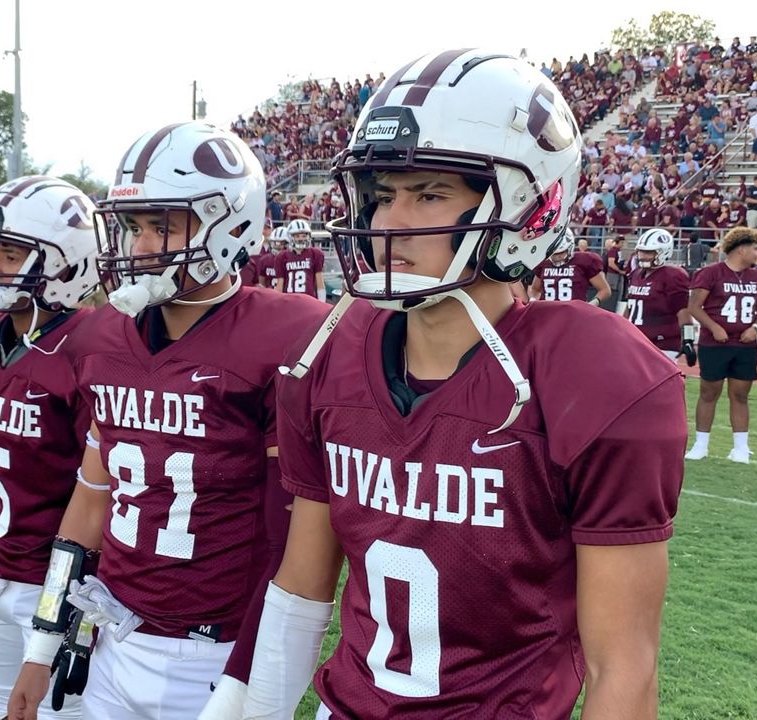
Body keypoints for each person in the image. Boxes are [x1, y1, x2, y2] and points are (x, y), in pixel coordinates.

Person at [241, 49, 684, 720]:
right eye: (382, 195)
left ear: (530, 205)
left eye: (429, 193)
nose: (389, 225)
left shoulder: (589, 373)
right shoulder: (328, 351)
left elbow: (622, 666)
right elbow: (302, 590)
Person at [6, 122, 329, 720]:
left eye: (161, 225)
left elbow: (294, 543)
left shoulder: (285, 335)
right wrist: (45, 638)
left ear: (230, 224)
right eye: (133, 226)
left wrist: (247, 685)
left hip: (218, 652)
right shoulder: (104, 336)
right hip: (112, 637)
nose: (141, 245)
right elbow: (90, 500)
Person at [0, 176, 101, 720]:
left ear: (66, 263)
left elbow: (102, 498)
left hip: (64, 583)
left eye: (10, 255)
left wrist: (67, 609)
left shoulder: (92, 349)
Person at [686, 227, 757, 463]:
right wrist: (714, 327)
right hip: (715, 343)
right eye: (755, 248)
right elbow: (694, 307)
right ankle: (701, 445)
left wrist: (755, 329)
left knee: (741, 395)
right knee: (708, 393)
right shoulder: (711, 273)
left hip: (744, 345)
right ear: (741, 249)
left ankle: (741, 448)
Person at [621, 229, 695, 364]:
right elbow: (630, 307)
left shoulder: (673, 275)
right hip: (635, 340)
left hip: (662, 344)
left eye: (648, 252)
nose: (642, 256)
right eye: (641, 251)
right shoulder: (636, 273)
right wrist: (621, 328)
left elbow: (683, 311)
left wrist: (688, 340)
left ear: (663, 252)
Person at [530, 231, 611, 304]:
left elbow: (605, 290)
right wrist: (534, 302)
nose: (558, 257)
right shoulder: (544, 263)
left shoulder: (584, 260)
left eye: (561, 252)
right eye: (555, 253)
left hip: (575, 315)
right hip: (549, 314)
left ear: (570, 247)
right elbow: (535, 290)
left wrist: (593, 303)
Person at [274, 218, 327, 302]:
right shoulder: (282, 257)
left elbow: (319, 282)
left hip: (309, 301)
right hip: (289, 301)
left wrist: (322, 302)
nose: (301, 239)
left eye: (304, 235)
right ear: (290, 237)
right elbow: (280, 285)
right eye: (297, 236)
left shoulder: (315, 254)